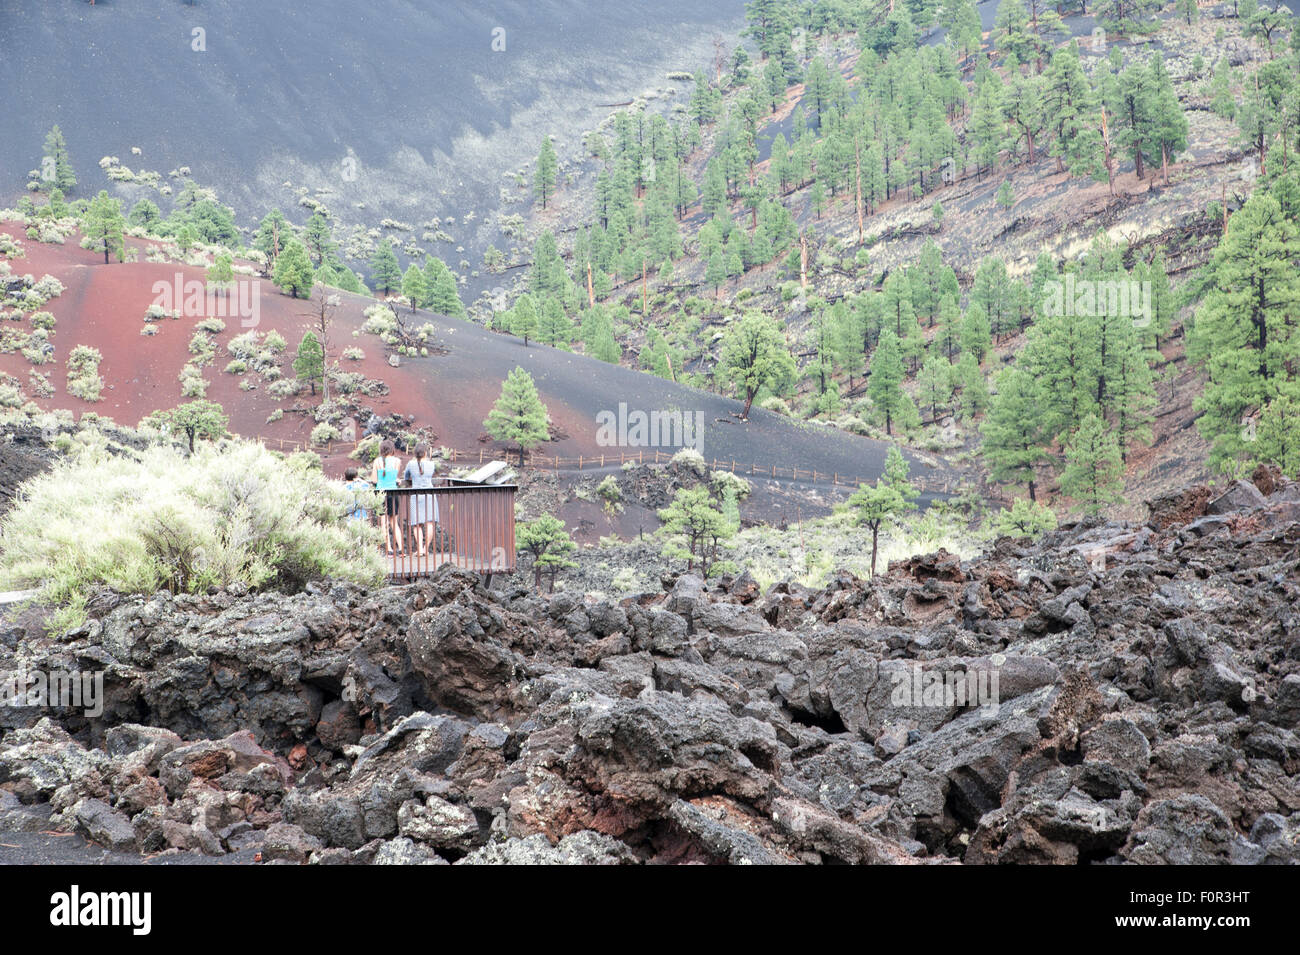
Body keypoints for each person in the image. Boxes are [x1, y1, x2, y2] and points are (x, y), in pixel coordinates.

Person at [403, 442, 439, 557]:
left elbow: (406, 477)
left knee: (417, 524)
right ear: (425, 453)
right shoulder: (431, 464)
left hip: (416, 495)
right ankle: (425, 548)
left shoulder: (410, 464)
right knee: (429, 523)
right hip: (429, 494)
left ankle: (419, 549)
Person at [372, 440, 404, 555]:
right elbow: (393, 477)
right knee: (394, 522)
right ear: (392, 449)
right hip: (393, 493)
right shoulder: (397, 461)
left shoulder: (377, 462)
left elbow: (374, 480)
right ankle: (401, 549)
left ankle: (389, 549)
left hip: (380, 493)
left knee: (383, 522)